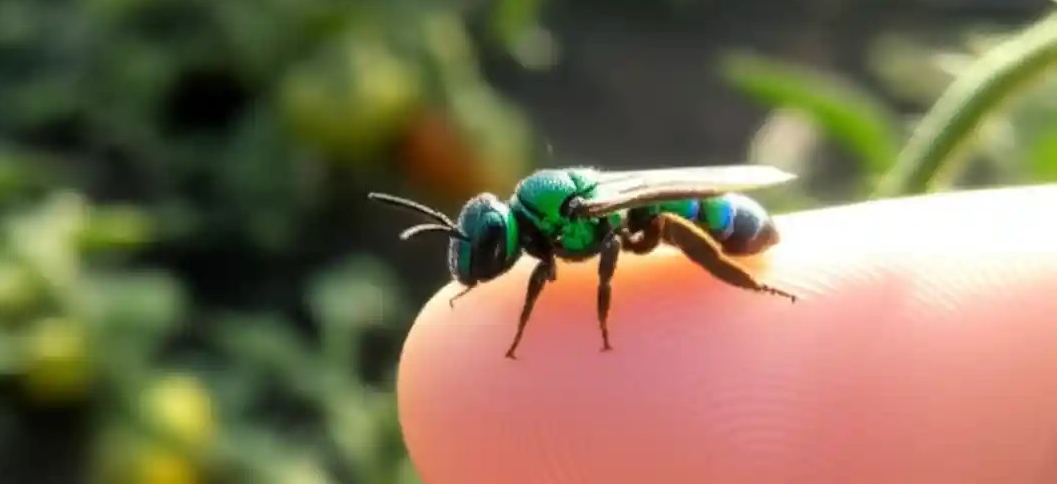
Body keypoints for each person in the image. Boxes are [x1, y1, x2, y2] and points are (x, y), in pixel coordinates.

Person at [398, 185, 1057, 483]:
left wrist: (601, 318)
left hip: (729, 222)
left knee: (672, 230)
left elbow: (599, 255)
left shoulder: (568, 221)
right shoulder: (541, 228)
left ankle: (749, 288)